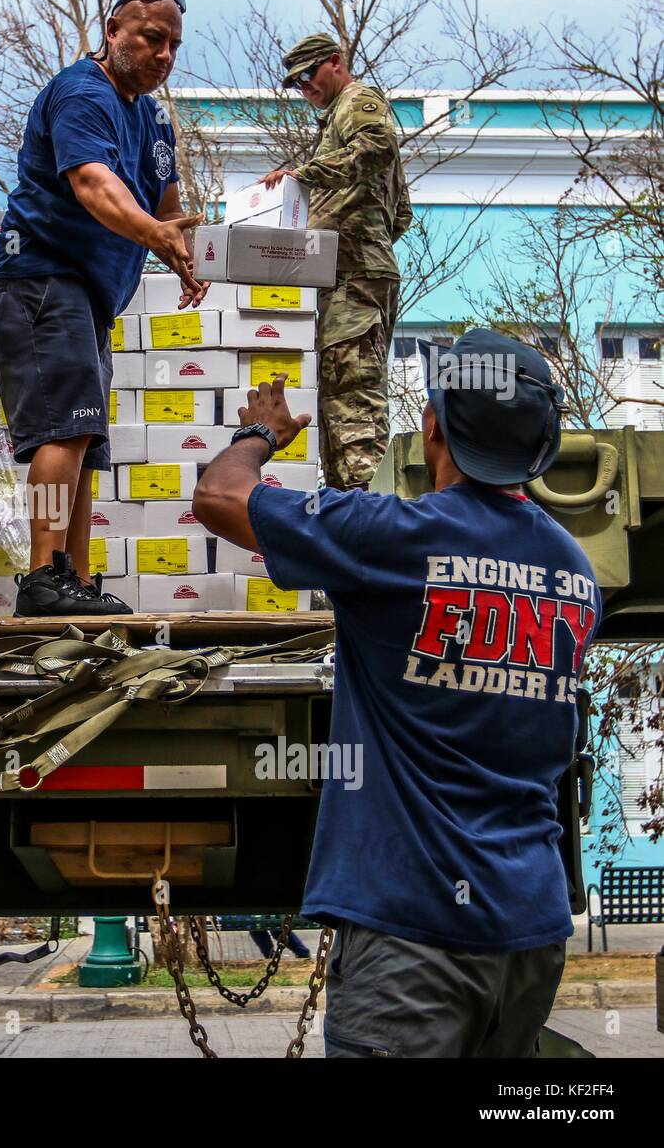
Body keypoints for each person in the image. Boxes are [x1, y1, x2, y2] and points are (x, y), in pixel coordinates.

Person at [192, 330, 601, 1058]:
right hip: (529, 933)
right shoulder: (574, 575)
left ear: (434, 426)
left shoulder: (393, 536)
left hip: (415, 938)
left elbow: (221, 495)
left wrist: (261, 432)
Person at [0, 0, 207, 615]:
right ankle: (41, 579)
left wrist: (187, 253)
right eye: (151, 38)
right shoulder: (82, 93)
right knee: (61, 430)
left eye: (173, 45)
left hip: (85, 295)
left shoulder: (152, 115)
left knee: (83, 438)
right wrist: (154, 234)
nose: (164, 54)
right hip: (40, 278)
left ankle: (74, 579)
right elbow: (93, 184)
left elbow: (165, 205)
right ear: (114, 31)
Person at [258, 34, 411, 491]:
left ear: (335, 63)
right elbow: (400, 211)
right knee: (339, 397)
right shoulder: (335, 120)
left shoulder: (358, 101)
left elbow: (376, 149)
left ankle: (365, 511)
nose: (304, 87)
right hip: (349, 275)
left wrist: (303, 175)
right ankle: (348, 504)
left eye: (308, 75)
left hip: (356, 279)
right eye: (295, 83)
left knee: (353, 400)